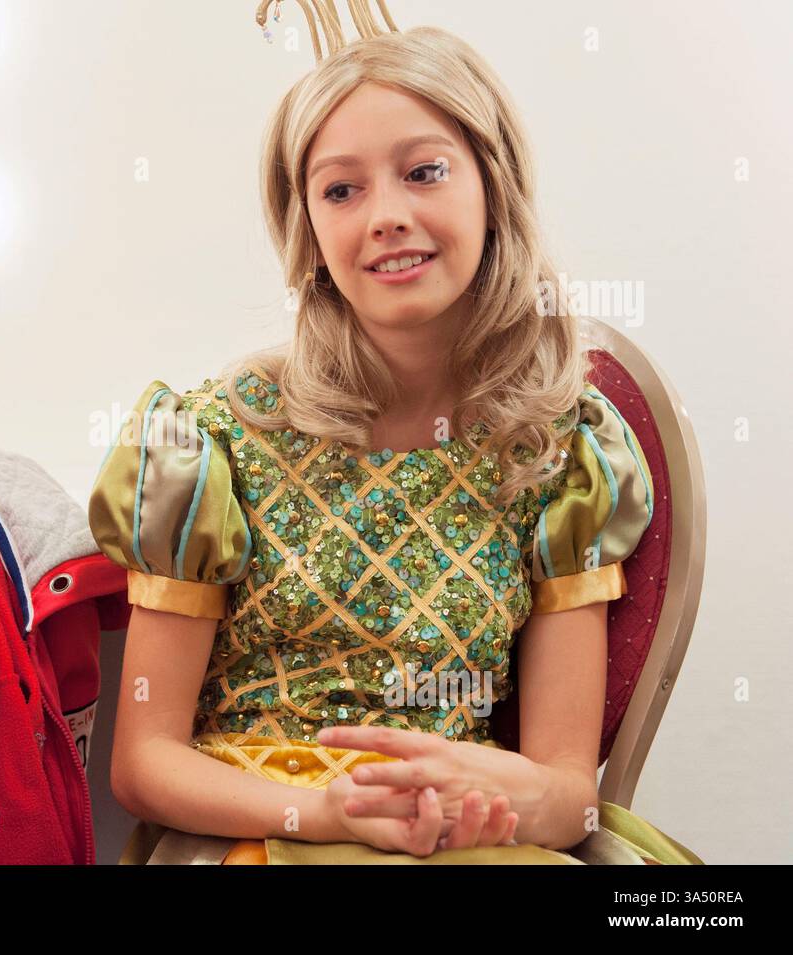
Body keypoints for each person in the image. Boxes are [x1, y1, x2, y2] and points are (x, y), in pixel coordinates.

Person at [86, 22, 703, 865]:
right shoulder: (210, 446)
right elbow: (142, 763)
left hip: (466, 841)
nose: (385, 217)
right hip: (256, 833)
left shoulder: (556, 454)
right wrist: (326, 811)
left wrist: (502, 791)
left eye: (424, 172)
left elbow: (567, 794)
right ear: (306, 227)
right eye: (341, 191)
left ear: (494, 186)